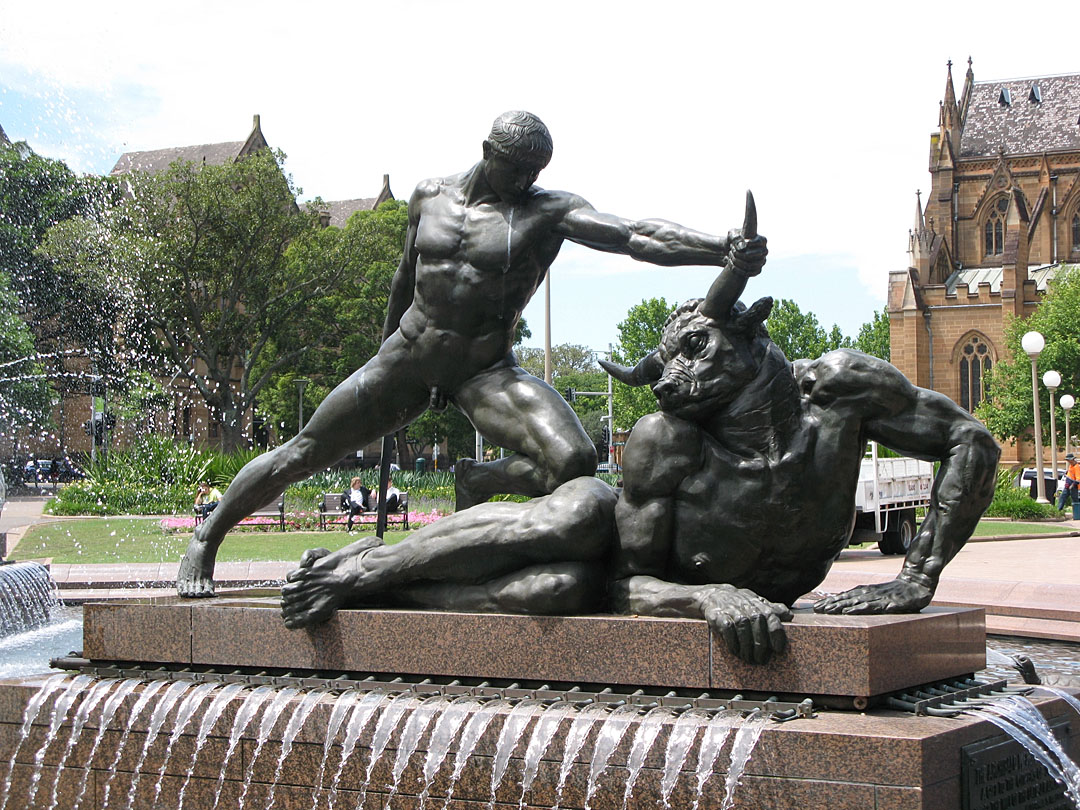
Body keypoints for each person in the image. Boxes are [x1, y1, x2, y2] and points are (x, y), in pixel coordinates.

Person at [280, 241, 1000, 665]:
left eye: (694, 350)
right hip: (614, 559)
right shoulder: (670, 442)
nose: (673, 384)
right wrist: (703, 597)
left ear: (749, 331)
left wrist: (918, 577)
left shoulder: (843, 391)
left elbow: (973, 440)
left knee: (560, 591)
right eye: (667, 368)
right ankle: (365, 568)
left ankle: (370, 581)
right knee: (576, 517)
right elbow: (622, 583)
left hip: (587, 590)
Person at [177, 110, 766, 597]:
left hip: (487, 371)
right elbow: (404, 278)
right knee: (303, 450)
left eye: (535, 171)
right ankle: (206, 539)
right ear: (488, 150)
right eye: (517, 168)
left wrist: (721, 249)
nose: (524, 180)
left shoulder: (546, 211)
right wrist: (383, 355)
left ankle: (479, 481)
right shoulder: (428, 196)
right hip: (408, 357)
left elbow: (634, 234)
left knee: (573, 460)